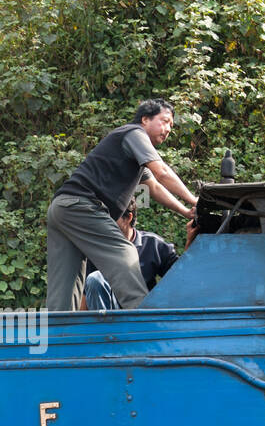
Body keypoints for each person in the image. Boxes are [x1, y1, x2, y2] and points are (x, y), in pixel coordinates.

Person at [46, 99, 199, 312]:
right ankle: (141, 317)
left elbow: (154, 187)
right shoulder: (134, 134)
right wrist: (194, 199)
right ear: (145, 119)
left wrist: (185, 210)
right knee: (124, 251)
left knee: (67, 280)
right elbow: (161, 172)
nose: (167, 130)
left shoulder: (131, 152)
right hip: (81, 205)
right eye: (164, 121)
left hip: (61, 209)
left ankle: (59, 335)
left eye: (171, 126)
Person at [81, 200, 197, 310]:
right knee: (94, 279)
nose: (103, 224)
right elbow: (85, 303)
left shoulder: (152, 244)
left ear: (128, 218)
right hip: (109, 320)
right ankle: (105, 330)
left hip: (143, 317)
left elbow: (181, 277)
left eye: (110, 218)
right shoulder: (97, 248)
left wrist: (189, 242)